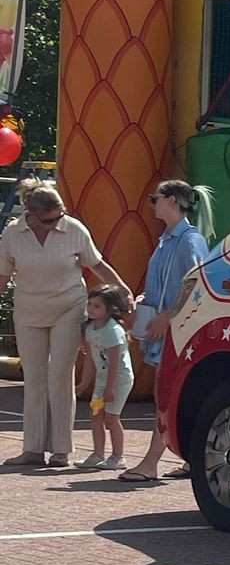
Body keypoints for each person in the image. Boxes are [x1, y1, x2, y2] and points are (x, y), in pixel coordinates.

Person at [0, 179, 134, 468]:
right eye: (50, 219)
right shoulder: (12, 233)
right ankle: (33, 449)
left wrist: (122, 289)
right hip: (29, 312)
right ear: (32, 216)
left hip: (68, 309)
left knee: (60, 376)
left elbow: (96, 263)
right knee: (34, 379)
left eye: (60, 215)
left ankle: (61, 449)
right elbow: (2, 275)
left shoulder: (73, 229)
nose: (57, 222)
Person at [122, 180, 212, 483]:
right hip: (166, 328)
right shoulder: (169, 239)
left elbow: (197, 282)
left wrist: (168, 315)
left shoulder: (188, 240)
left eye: (155, 198)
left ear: (171, 200)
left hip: (178, 331)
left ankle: (150, 463)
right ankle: (191, 459)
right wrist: (145, 302)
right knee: (175, 395)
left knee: (166, 396)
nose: (153, 203)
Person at [80, 287, 133, 471]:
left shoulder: (113, 331)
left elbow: (115, 363)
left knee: (111, 418)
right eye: (89, 304)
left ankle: (118, 456)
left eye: (97, 306)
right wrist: (85, 382)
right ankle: (98, 454)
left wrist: (110, 389)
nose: (91, 309)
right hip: (102, 381)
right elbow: (90, 358)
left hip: (119, 381)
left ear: (109, 309)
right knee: (96, 414)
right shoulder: (90, 329)